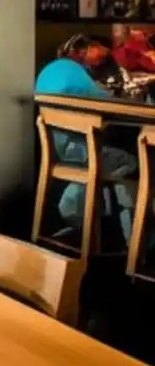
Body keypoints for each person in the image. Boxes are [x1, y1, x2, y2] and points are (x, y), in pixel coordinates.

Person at [36, 34, 138, 239]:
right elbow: (107, 101)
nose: (102, 56)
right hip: (80, 151)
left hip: (55, 148)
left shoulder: (50, 71)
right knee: (132, 163)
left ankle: (86, 220)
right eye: (98, 48)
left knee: (109, 160)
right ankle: (134, 240)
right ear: (82, 50)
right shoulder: (75, 72)